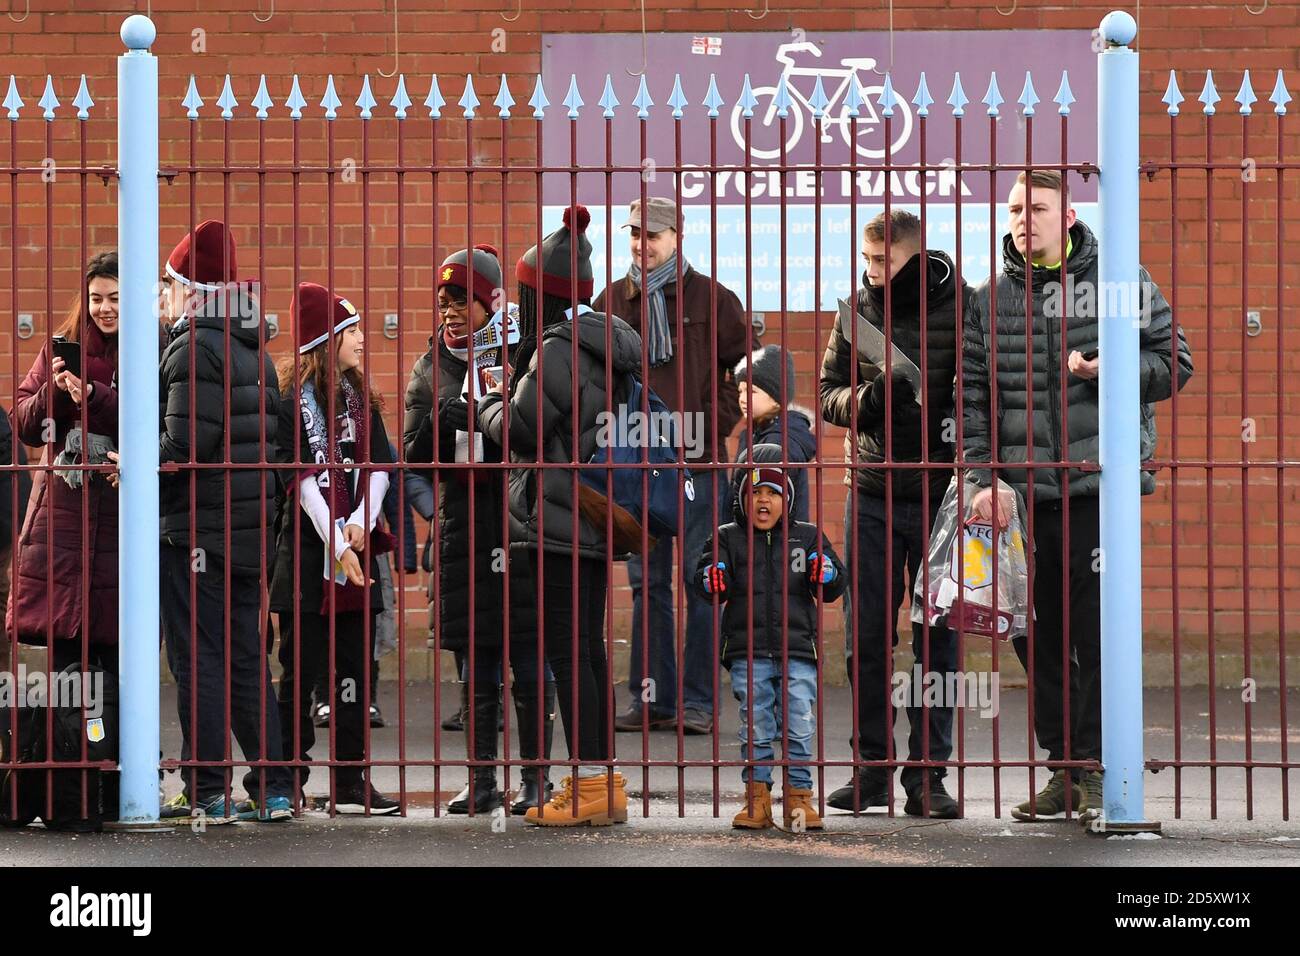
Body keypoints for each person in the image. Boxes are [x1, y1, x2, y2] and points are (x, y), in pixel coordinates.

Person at [961, 170, 1193, 823]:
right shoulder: (988, 299)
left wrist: (1109, 368)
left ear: (1066, 217)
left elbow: (1174, 363)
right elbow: (972, 402)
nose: (1020, 218)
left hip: (1098, 489)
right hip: (1020, 499)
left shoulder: (1118, 281)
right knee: (1031, 633)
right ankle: (1066, 763)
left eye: (1035, 208)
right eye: (1012, 208)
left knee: (1094, 633)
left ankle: (1094, 768)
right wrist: (982, 481)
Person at [478, 204, 640, 826]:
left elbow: (521, 429)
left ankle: (594, 786)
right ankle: (601, 782)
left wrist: (489, 401)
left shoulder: (559, 351)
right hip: (590, 519)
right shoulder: (603, 343)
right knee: (589, 651)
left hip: (554, 522)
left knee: (569, 653)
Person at [819, 210, 966, 818]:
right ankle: (870, 769)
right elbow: (828, 395)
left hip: (940, 493)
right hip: (873, 491)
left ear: (914, 256)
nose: (874, 272)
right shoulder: (855, 313)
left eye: (886, 261)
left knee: (938, 640)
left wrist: (957, 439)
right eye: (868, 260)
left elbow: (981, 387)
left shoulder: (962, 308)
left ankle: (928, 778)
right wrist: (869, 399)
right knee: (866, 637)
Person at [403, 244, 555, 816]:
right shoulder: (431, 366)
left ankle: (536, 778)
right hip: (464, 526)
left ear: (491, 300)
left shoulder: (527, 350)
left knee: (529, 652)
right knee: (475, 659)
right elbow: (415, 456)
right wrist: (447, 419)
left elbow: (541, 429)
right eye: (443, 301)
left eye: (462, 299)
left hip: (519, 519)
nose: (450, 311)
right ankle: (481, 777)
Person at [595, 196, 757, 736]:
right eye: (635, 234)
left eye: (653, 235)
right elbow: (594, 374)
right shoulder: (612, 300)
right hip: (637, 465)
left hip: (699, 463)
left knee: (701, 580)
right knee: (647, 585)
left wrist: (714, 424)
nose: (643, 245)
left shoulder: (713, 298)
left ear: (676, 238)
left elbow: (748, 369)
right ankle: (652, 698)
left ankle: (697, 702)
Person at [155, 220, 292, 823]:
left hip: (198, 533)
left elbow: (186, 445)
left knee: (200, 659)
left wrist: (133, 459)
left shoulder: (190, 347)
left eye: (169, 283)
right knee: (243, 655)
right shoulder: (252, 349)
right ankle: (274, 786)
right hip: (248, 530)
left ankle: (208, 787)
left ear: (191, 287)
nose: (164, 295)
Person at [270, 281, 400, 816]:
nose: (362, 340)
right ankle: (286, 779)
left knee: (353, 672)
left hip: (356, 549)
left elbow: (382, 465)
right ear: (325, 340)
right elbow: (298, 479)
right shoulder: (287, 402)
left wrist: (363, 524)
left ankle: (350, 782)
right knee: (299, 670)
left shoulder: (359, 397)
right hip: (304, 555)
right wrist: (335, 536)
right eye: (351, 331)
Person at [694, 460, 846, 830]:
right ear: (742, 500)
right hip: (747, 650)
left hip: (798, 650)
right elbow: (707, 577)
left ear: (787, 500)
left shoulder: (808, 536)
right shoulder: (726, 537)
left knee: (798, 724)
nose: (763, 500)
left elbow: (834, 582)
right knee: (756, 725)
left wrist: (826, 573)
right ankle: (756, 799)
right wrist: (710, 578)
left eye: (773, 493)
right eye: (755, 493)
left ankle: (800, 799)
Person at [7, 252, 121, 676]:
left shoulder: (152, 348)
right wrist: (56, 393)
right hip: (60, 512)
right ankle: (70, 741)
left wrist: (92, 397)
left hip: (115, 506)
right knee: (64, 640)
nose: (104, 308)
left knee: (117, 642)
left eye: (113, 297)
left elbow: (153, 423)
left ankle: (120, 741)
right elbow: (24, 424)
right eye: (95, 298)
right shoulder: (60, 345)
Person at [733, 344, 816, 523]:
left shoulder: (783, 439)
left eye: (751, 391)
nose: (742, 398)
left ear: (777, 398)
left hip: (774, 540)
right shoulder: (753, 434)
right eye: (740, 391)